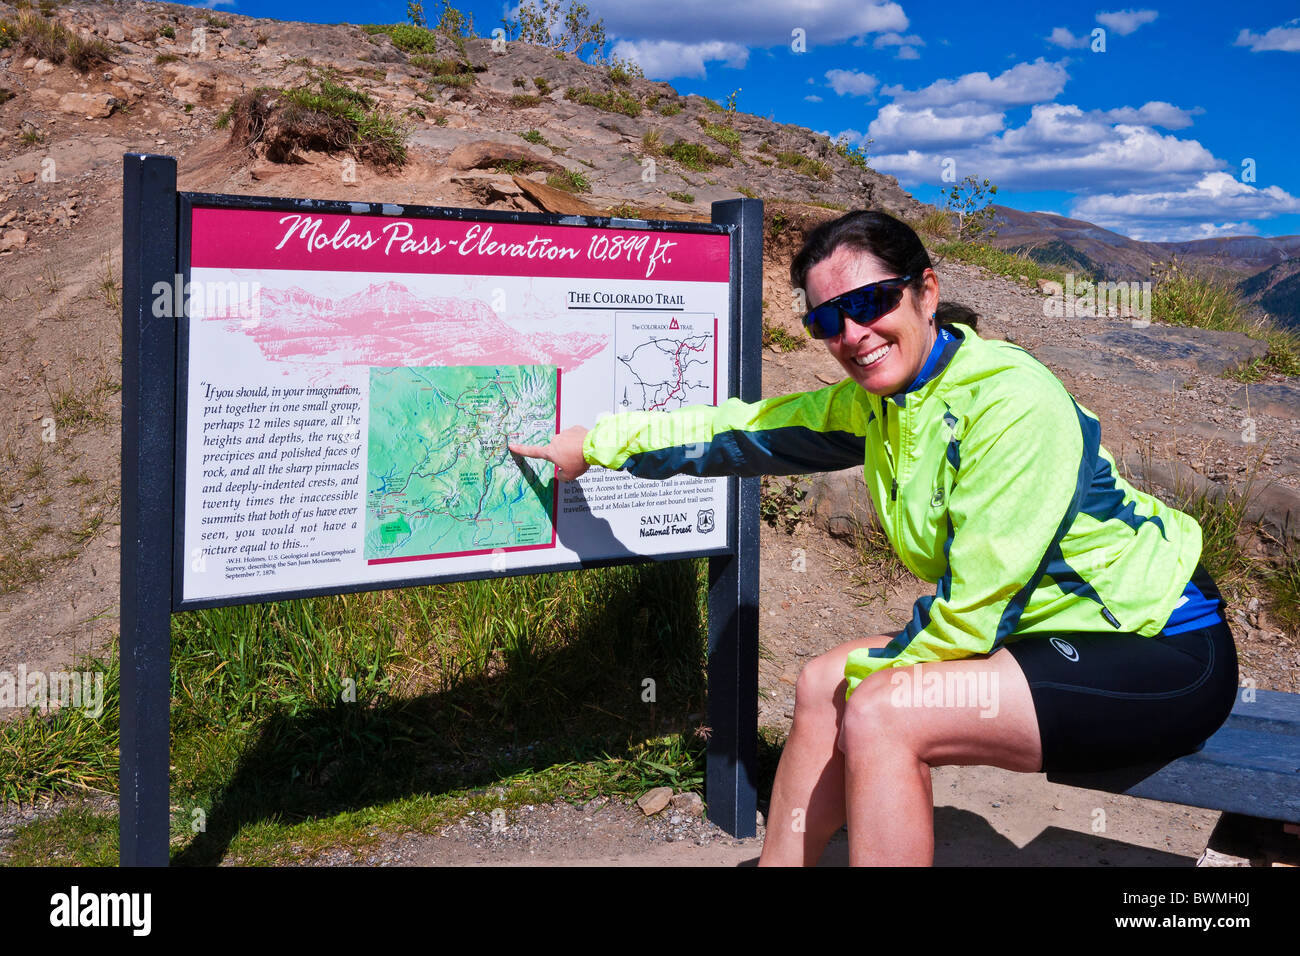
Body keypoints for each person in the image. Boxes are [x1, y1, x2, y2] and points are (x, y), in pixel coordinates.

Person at [508, 210, 1239, 866]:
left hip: (1159, 646)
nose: (852, 335)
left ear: (925, 290)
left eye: (869, 303)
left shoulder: (1010, 401)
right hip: (1047, 633)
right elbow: (740, 429)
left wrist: (874, 690)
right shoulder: (880, 402)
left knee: (885, 713)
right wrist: (598, 443)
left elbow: (978, 607)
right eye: (827, 321)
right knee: (821, 682)